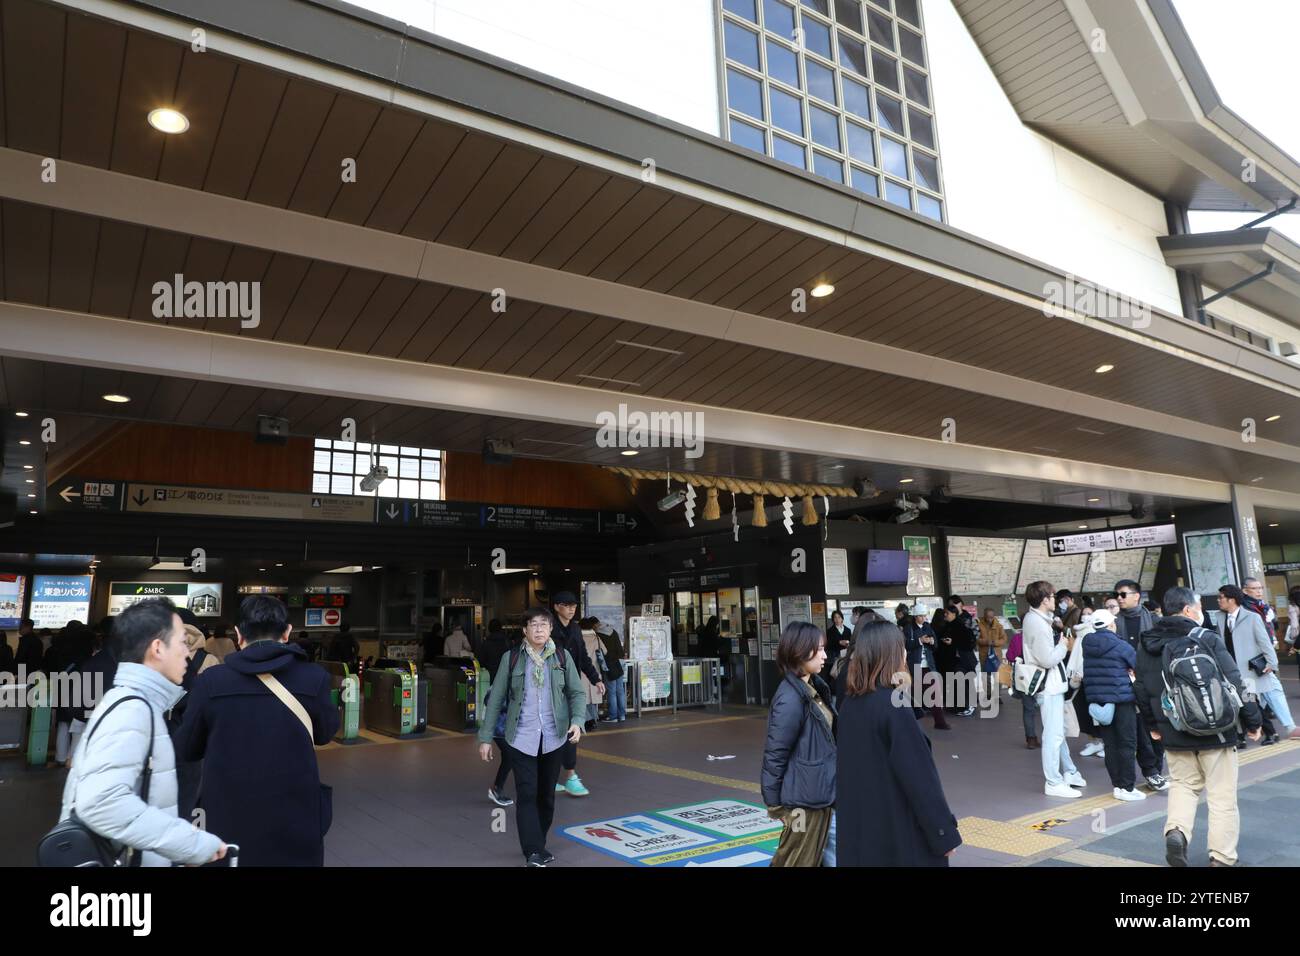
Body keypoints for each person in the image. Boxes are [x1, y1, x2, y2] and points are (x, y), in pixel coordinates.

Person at [57, 599, 227, 866]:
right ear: (158, 648)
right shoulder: (132, 710)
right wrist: (189, 843)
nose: (187, 652)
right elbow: (102, 803)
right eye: (182, 642)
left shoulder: (142, 704)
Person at [177, 595, 339, 866]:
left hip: (227, 819)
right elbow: (324, 734)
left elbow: (187, 748)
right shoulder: (315, 678)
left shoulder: (211, 682)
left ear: (238, 634)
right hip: (296, 816)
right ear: (287, 633)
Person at [1135, 587, 1262, 867]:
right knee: (1221, 795)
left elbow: (1141, 689)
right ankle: (1221, 857)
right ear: (1190, 610)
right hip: (1216, 730)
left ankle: (1177, 831)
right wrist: (1253, 720)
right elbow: (1237, 682)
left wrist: (1152, 725)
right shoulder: (1206, 638)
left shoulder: (1147, 643)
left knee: (1183, 785)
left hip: (1173, 730)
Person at [837, 620, 961, 865]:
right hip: (899, 835)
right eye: (902, 647)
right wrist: (943, 834)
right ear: (891, 654)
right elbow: (920, 780)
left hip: (863, 833)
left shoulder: (850, 704)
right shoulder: (895, 705)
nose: (905, 653)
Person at [477, 606, 586, 866]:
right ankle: (533, 851)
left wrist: (578, 721)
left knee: (546, 796)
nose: (539, 629)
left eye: (544, 624)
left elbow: (577, 693)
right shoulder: (511, 658)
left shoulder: (561, 657)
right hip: (521, 738)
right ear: (525, 630)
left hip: (554, 736)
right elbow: (495, 700)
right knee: (527, 793)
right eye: (533, 625)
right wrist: (485, 737)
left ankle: (539, 844)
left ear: (550, 629)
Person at [761, 622, 836, 867]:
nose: (825, 655)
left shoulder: (812, 687)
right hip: (802, 802)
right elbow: (776, 753)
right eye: (820, 649)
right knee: (795, 860)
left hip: (819, 794)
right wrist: (775, 804)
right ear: (800, 651)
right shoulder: (791, 698)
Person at [1022, 580, 1086, 798]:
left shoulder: (1039, 619)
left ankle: (1069, 772)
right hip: (1048, 686)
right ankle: (1053, 781)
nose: (1056, 600)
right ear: (1044, 599)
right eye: (1053, 596)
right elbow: (1047, 659)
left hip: (1051, 685)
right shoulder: (1037, 624)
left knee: (1057, 733)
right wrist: (1063, 645)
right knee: (1053, 735)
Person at [1217, 585, 1296, 743]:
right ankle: (1261, 732)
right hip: (1231, 669)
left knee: (1257, 698)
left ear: (1231, 600)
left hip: (1250, 668)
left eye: (1221, 597)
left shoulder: (1251, 617)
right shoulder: (1220, 617)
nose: (1218, 601)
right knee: (1250, 700)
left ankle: (1276, 730)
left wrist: (1272, 663)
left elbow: (1264, 642)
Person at [1080, 609, 1144, 801]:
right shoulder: (1121, 645)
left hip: (1100, 702)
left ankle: (1117, 785)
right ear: (1111, 625)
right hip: (1122, 700)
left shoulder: (1087, 643)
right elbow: (1137, 667)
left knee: (1110, 744)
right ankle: (1127, 787)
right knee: (1127, 743)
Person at [1113, 579, 1167, 791]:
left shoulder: (1154, 620)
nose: (1119, 598)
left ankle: (1157, 769)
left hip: (1154, 682)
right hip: (1128, 684)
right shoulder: (1115, 622)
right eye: (1117, 594)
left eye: (1123, 594)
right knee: (1140, 730)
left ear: (1137, 596)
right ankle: (1150, 772)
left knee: (1158, 728)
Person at [169, 608, 221, 822]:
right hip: (196, 732)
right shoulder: (209, 660)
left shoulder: (159, 653)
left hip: (164, 728)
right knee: (192, 785)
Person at [550, 591, 603, 797]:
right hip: (549, 688)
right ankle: (551, 777)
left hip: (570, 688)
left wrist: (595, 678)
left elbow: (583, 657)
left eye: (574, 605)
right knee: (551, 732)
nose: (572, 608)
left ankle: (570, 776)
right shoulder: (547, 627)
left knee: (572, 730)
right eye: (567, 605)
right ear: (556, 606)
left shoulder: (575, 629)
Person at [478, 620, 519, 807]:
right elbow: (492, 701)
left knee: (516, 755)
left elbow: (481, 660)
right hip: (502, 725)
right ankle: (496, 789)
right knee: (511, 755)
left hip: (508, 723)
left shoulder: (488, 644)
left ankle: (502, 788)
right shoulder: (510, 662)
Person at [902, 605, 949, 730]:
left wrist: (933, 642)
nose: (923, 618)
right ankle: (910, 723)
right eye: (921, 616)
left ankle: (940, 721)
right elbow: (904, 645)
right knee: (914, 694)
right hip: (914, 665)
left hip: (928, 665)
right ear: (915, 616)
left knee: (933, 692)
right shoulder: (908, 628)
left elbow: (936, 646)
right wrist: (919, 641)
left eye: (924, 615)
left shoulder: (928, 627)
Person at [1005, 624, 1039, 748]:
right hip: (1041, 676)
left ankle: (1031, 739)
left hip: (1024, 678)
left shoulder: (1017, 638)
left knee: (1028, 709)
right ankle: (1048, 738)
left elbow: (1010, 656)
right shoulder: (1040, 637)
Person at [595, 621, 627, 723]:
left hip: (609, 664)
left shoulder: (598, 635)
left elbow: (600, 652)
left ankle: (613, 716)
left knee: (612, 692)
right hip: (619, 662)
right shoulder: (613, 631)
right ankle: (622, 715)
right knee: (620, 690)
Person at [578, 617, 605, 731]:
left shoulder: (577, 638)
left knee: (581, 697)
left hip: (581, 671)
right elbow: (605, 651)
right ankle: (593, 720)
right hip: (595, 670)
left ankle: (587, 720)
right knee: (593, 698)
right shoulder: (596, 638)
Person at [976, 607, 1007, 703]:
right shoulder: (979, 625)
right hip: (984, 655)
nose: (990, 619)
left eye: (991, 617)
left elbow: (1004, 639)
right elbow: (976, 638)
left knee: (998, 676)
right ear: (984, 616)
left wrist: (995, 642)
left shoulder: (999, 626)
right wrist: (986, 641)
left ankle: (997, 696)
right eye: (988, 617)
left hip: (996, 655)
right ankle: (988, 694)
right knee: (986, 676)